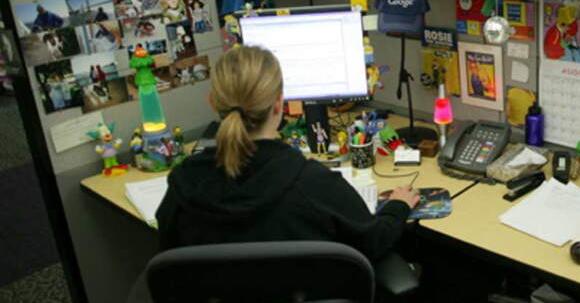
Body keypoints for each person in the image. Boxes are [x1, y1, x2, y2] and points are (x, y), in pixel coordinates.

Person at [156, 45, 420, 260]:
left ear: (213, 103)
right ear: (279, 103)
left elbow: (169, 255)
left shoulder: (184, 180)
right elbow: (373, 241)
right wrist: (397, 207)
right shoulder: (312, 182)